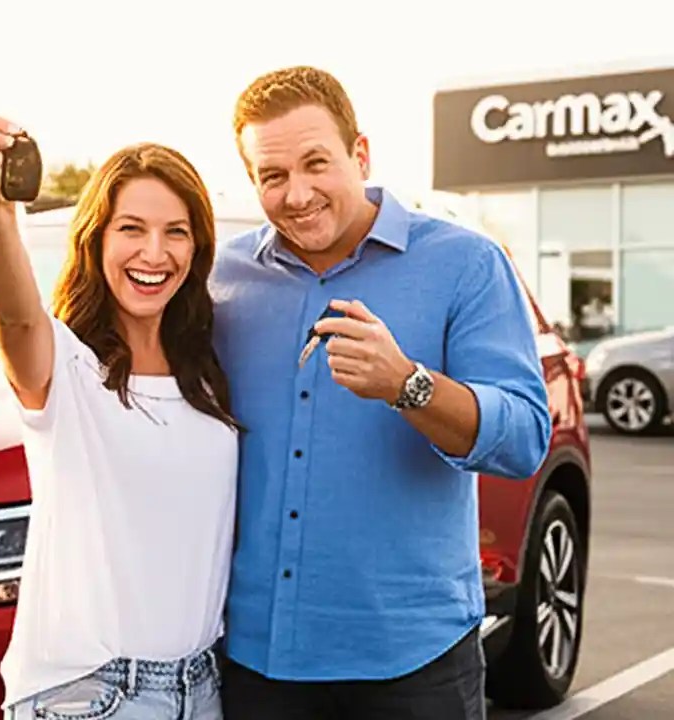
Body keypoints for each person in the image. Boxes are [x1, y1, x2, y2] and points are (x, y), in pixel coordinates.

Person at [210, 66, 553, 719]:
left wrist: (409, 385)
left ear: (359, 153)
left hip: (413, 667)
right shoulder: (220, 281)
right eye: (272, 176)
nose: (297, 193)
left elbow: (523, 439)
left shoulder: (466, 264)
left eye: (316, 163)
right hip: (258, 662)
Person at [0, 113, 240, 720]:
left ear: (199, 246)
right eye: (131, 229)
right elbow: (15, 320)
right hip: (91, 697)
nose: (154, 253)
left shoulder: (210, 372)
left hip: (203, 686)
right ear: (97, 239)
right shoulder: (66, 365)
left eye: (176, 232)